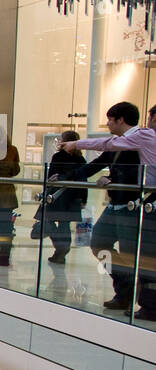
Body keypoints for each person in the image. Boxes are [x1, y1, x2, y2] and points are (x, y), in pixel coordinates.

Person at [57, 101, 153, 317]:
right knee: (99, 243)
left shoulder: (138, 141)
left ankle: (135, 296)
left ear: (121, 120)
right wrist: (65, 178)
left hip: (133, 205)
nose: (108, 123)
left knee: (131, 253)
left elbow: (138, 173)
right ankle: (124, 287)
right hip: (116, 205)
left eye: (110, 119)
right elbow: (96, 164)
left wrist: (112, 177)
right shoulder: (119, 143)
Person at [42, 132, 86, 264]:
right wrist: (83, 199)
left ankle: (60, 249)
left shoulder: (58, 157)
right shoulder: (81, 160)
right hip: (73, 197)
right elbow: (83, 181)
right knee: (64, 224)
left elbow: (51, 176)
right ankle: (62, 250)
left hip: (58, 195)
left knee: (50, 221)